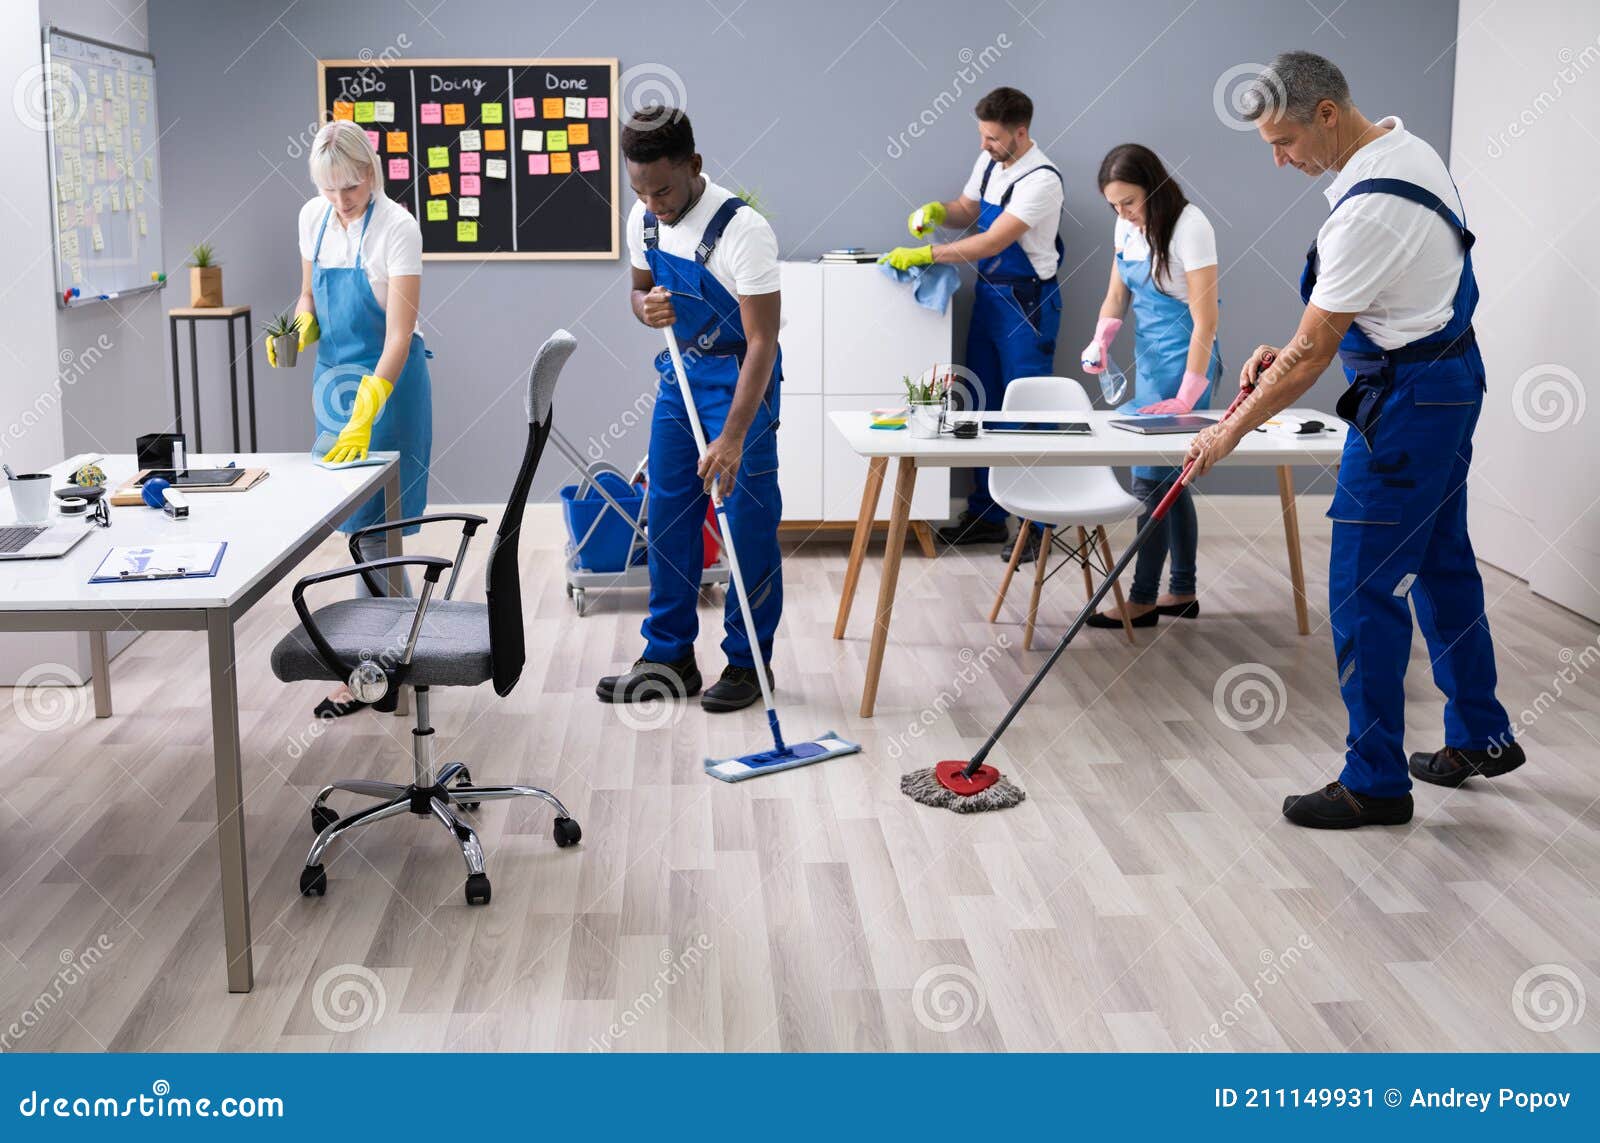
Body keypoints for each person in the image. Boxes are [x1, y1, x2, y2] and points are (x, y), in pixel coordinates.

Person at [1184, 51, 1522, 828]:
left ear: (1328, 115)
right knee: (1440, 561)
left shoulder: (1368, 210)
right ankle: (1482, 733)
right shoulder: (1406, 149)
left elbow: (1312, 355)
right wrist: (1290, 346)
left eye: (1285, 139)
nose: (1279, 158)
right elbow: (1340, 322)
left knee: (1364, 586)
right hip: (1446, 379)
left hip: (1410, 403)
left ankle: (1374, 780)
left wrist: (1225, 433)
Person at [596, 107, 784, 713]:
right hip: (680, 377)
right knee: (671, 513)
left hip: (739, 381)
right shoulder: (644, 219)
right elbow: (639, 289)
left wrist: (731, 438)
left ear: (694, 166)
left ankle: (749, 662)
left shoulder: (743, 230)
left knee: (745, 522)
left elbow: (763, 341)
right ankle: (669, 656)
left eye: (664, 189)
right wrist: (641, 306)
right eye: (640, 191)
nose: (653, 203)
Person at [275, 120, 433, 719]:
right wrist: (297, 327)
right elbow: (310, 297)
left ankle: (379, 670)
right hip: (333, 386)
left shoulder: (398, 228)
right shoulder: (310, 218)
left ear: (372, 171)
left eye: (352, 185)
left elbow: (398, 334)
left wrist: (370, 409)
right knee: (358, 534)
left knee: (378, 536)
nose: (342, 200)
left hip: (387, 389)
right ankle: (397, 662)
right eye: (331, 188)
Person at [881, 87, 1064, 553]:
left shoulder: (1042, 180)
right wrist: (938, 211)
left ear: (1021, 132)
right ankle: (986, 515)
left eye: (993, 137)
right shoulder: (989, 162)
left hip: (1027, 304)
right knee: (978, 404)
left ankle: (1036, 528)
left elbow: (990, 243)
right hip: (989, 297)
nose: (984, 144)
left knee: (1027, 412)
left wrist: (926, 252)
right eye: (982, 135)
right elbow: (969, 211)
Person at [1079, 144, 1222, 629]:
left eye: (1130, 202)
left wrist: (1187, 396)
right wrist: (1102, 337)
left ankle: (1140, 599)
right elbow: (1117, 294)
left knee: (1151, 483)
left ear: (1155, 189)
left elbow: (1206, 321)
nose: (1122, 213)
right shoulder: (1125, 225)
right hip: (1151, 365)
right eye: (1114, 205)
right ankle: (1181, 591)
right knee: (1171, 484)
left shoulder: (1191, 227)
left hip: (1189, 366)